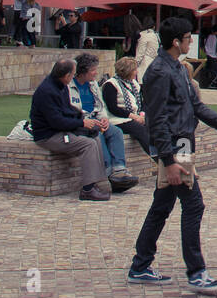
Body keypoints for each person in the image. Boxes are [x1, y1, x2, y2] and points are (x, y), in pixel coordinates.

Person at [127, 16, 217, 294]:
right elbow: (156, 120)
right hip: (174, 146)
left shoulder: (178, 70)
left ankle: (140, 265)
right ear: (175, 41)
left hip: (181, 143)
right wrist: (168, 160)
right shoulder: (158, 72)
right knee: (194, 205)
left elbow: (197, 106)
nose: (191, 41)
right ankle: (196, 273)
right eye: (188, 37)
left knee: (162, 205)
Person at [28, 59, 113, 201]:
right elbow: (57, 122)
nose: (73, 77)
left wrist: (84, 119)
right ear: (66, 75)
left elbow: (67, 109)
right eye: (72, 74)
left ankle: (96, 183)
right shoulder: (47, 91)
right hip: (48, 136)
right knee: (88, 144)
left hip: (59, 130)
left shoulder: (60, 86)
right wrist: (81, 123)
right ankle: (87, 189)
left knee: (94, 136)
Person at [68, 53, 138, 192]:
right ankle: (108, 172)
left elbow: (100, 106)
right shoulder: (69, 86)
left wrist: (104, 118)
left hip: (97, 119)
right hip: (82, 122)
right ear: (82, 72)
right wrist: (89, 121)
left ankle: (119, 169)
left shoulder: (93, 84)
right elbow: (72, 110)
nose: (96, 73)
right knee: (97, 135)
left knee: (115, 132)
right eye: (93, 70)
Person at [101, 57, 149, 151]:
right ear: (127, 71)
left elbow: (142, 102)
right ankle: (156, 157)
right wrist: (134, 117)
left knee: (154, 124)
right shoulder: (111, 84)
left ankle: (164, 153)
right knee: (139, 129)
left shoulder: (134, 83)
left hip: (136, 116)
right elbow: (113, 108)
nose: (137, 72)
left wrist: (141, 114)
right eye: (134, 70)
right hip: (118, 119)